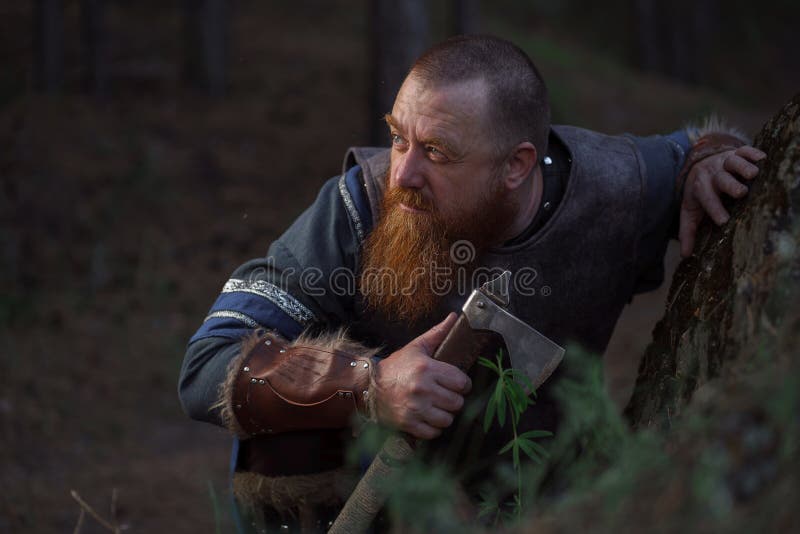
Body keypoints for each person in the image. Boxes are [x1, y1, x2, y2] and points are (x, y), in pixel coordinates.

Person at [178, 35, 765, 531]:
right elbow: (208, 365)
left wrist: (710, 162)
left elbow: (693, 152)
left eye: (435, 151)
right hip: (367, 501)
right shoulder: (357, 208)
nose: (402, 172)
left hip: (535, 501)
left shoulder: (619, 187)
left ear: (516, 165)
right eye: (399, 137)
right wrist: (368, 385)